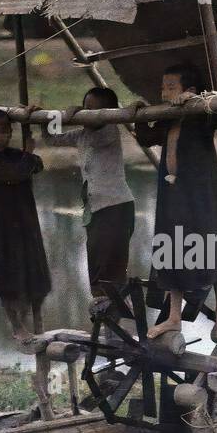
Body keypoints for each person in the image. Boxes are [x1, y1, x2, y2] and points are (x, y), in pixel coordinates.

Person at [134, 62, 217, 342]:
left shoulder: (201, 112)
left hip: (199, 191)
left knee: (209, 242)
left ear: (188, 90)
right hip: (172, 191)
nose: (165, 93)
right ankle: (174, 317)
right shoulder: (168, 117)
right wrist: (139, 115)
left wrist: (195, 100)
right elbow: (147, 137)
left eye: (171, 88)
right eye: (162, 87)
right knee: (171, 243)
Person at [43, 86, 135, 302]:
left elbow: (95, 135)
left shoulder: (109, 131)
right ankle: (105, 316)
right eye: (85, 108)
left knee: (111, 265)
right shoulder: (82, 134)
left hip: (116, 207)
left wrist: (70, 117)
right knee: (95, 261)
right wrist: (48, 118)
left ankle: (115, 314)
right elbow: (52, 139)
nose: (87, 113)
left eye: (93, 110)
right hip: (95, 209)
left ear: (109, 112)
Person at [0, 105, 50, 344]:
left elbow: (37, 166)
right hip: (0, 231)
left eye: (3, 132)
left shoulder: (14, 155)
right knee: (7, 279)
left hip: (24, 225)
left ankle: (29, 315)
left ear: (10, 132)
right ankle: (17, 326)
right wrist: (28, 153)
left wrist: (28, 153)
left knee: (35, 276)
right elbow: (17, 174)